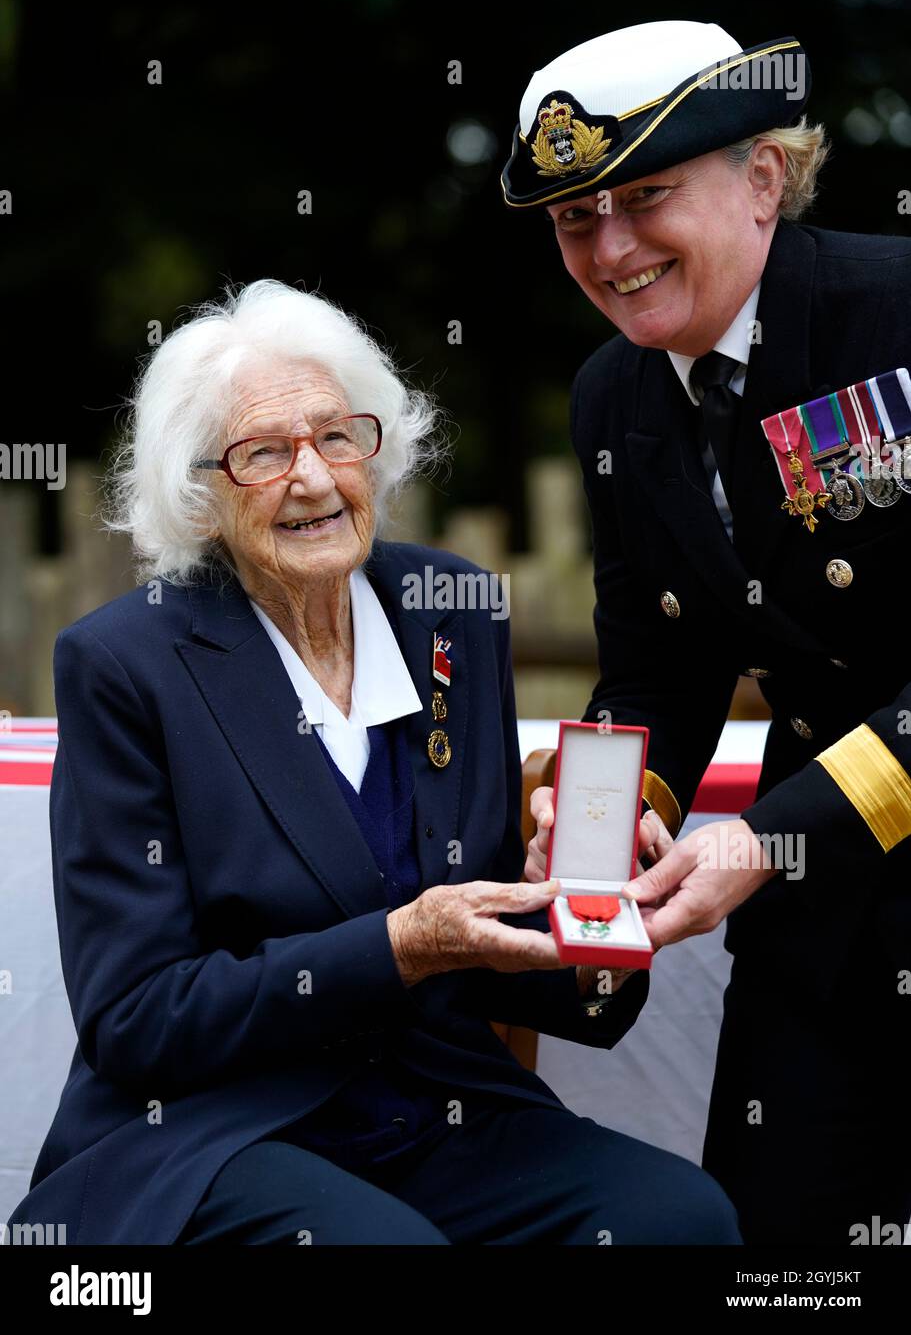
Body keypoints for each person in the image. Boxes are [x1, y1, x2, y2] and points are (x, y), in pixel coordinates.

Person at [6, 279, 740, 1245]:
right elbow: (136, 1020)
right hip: (211, 1132)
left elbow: (490, 960)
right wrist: (402, 944)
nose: (312, 478)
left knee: (677, 1221)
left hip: (432, 1103)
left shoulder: (451, 609)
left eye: (337, 436)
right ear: (198, 492)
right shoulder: (125, 664)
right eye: (264, 453)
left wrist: (596, 920)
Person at [507, 20, 911, 1244]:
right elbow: (654, 665)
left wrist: (765, 838)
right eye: (576, 217)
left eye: (641, 197)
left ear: (762, 178)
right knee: (773, 1232)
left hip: (810, 839)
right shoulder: (610, 397)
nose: (610, 247)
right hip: (816, 911)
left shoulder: (895, 315)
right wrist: (591, 829)